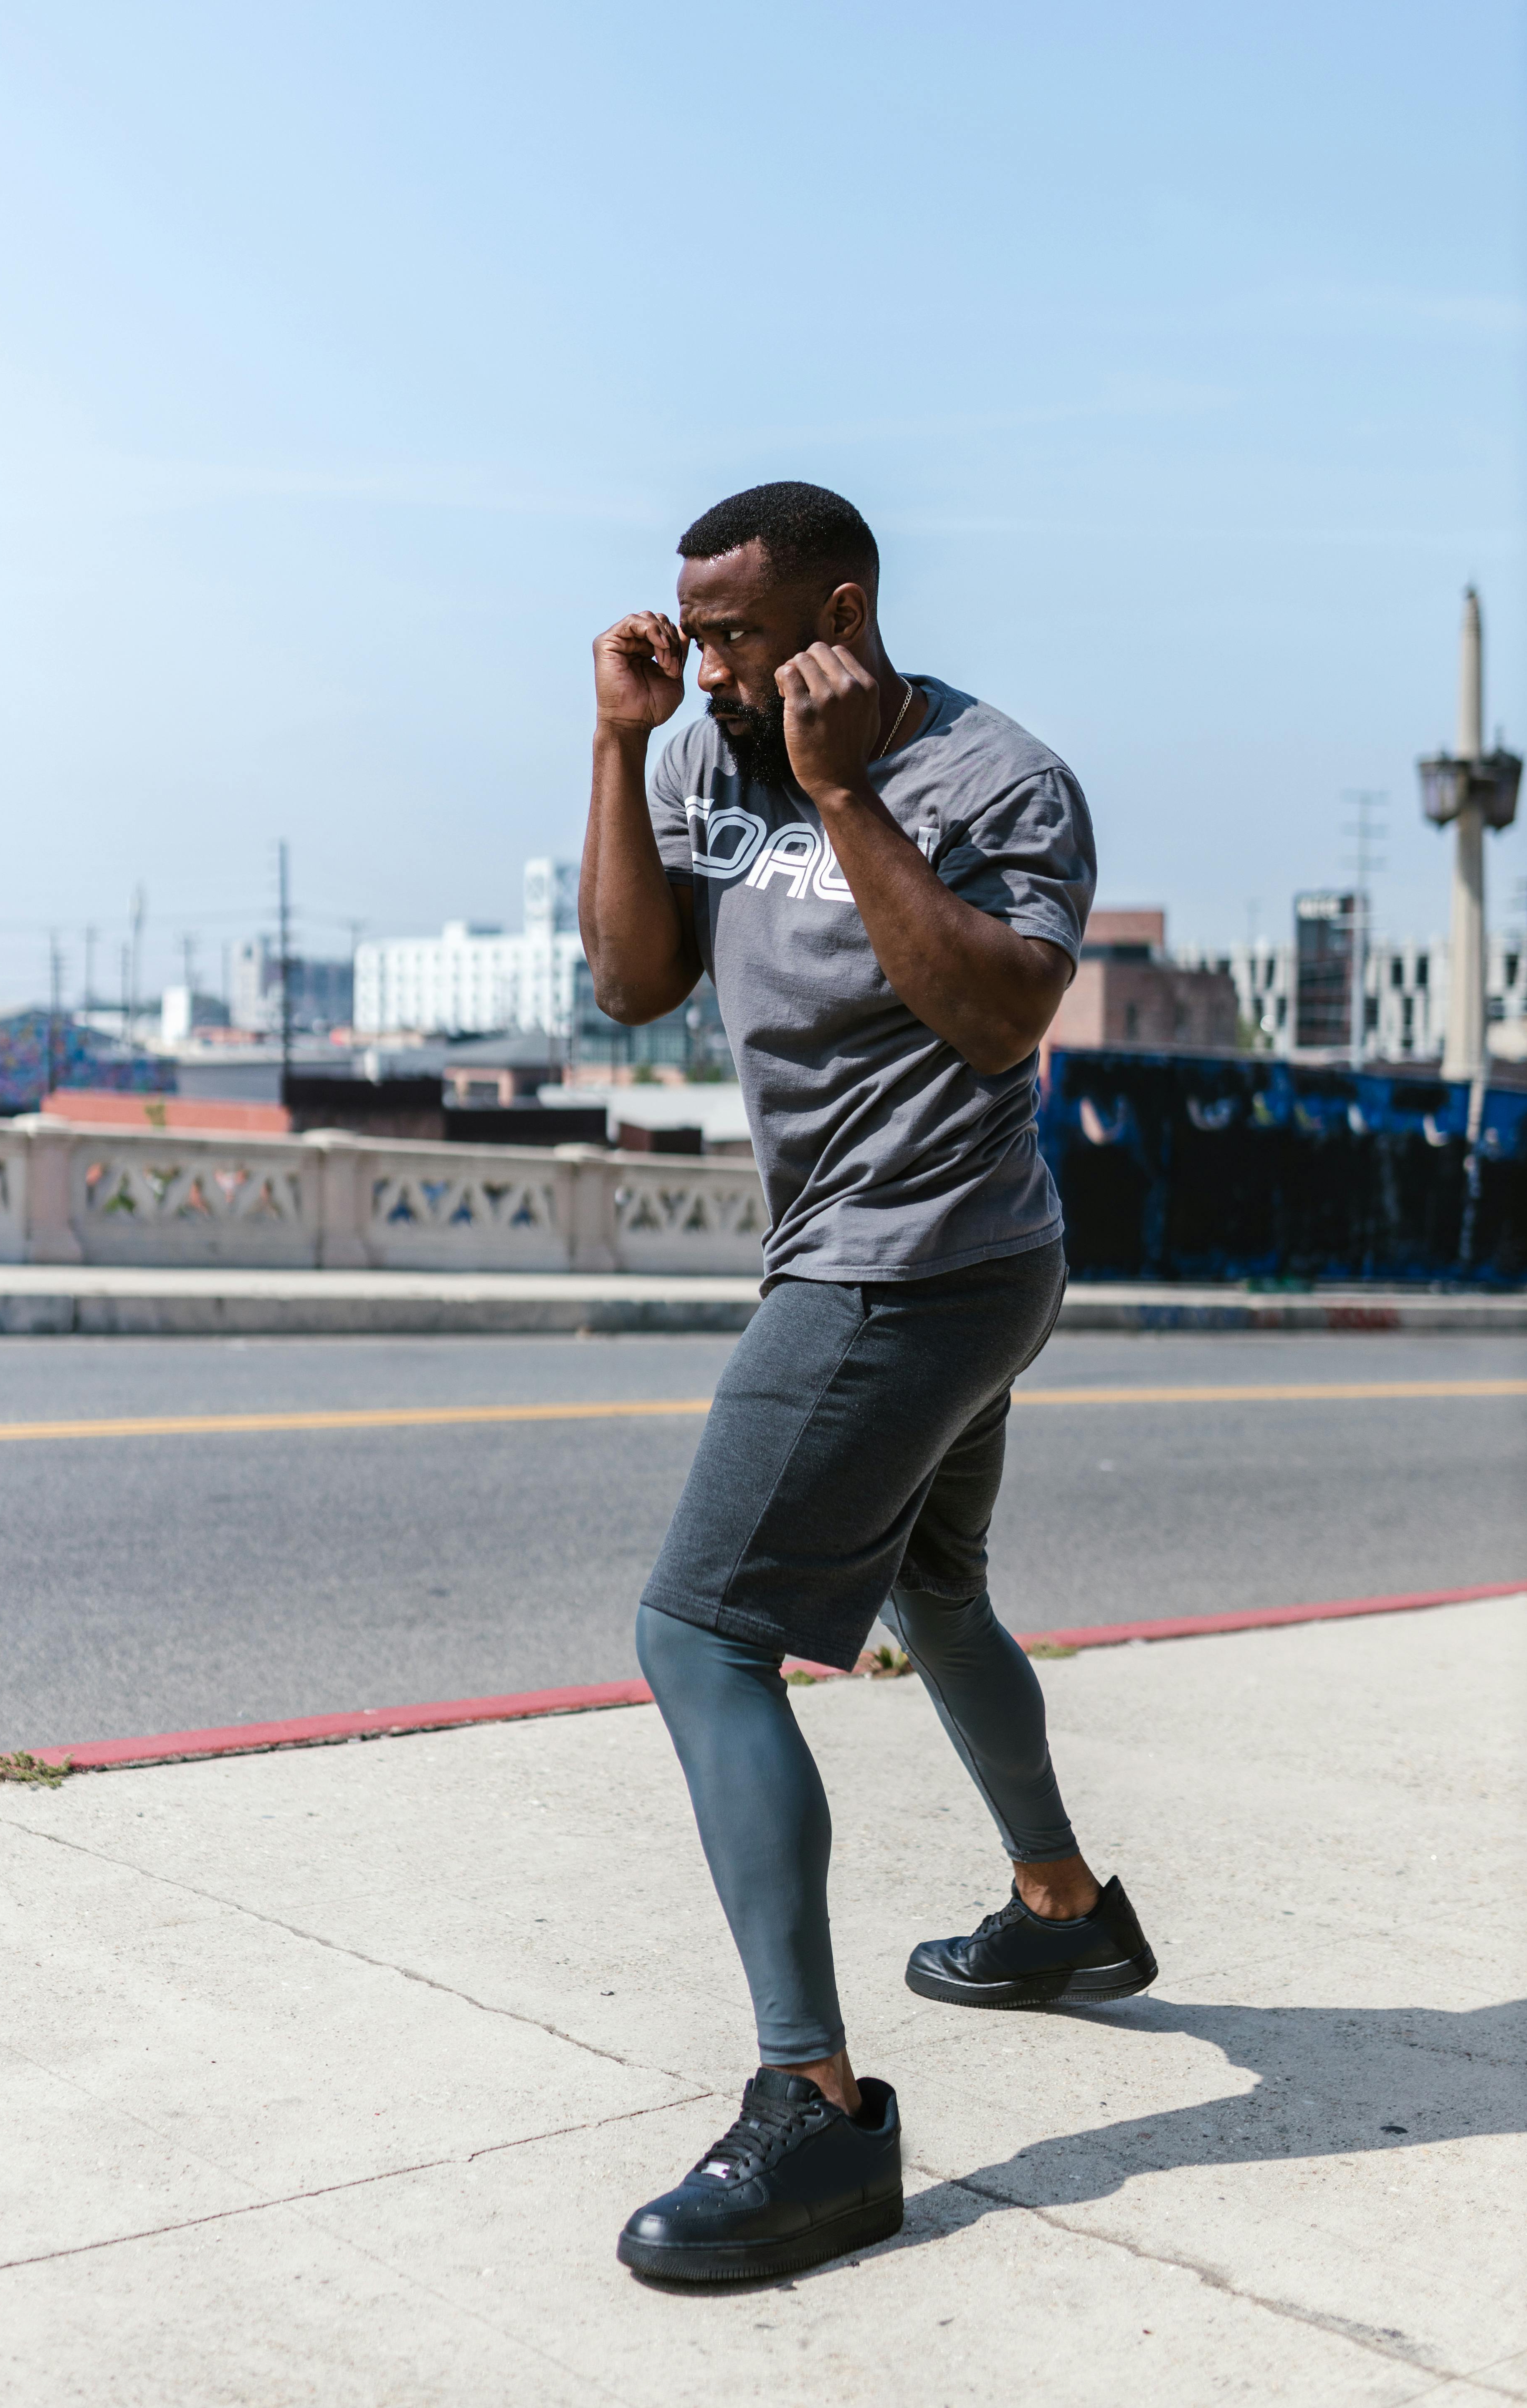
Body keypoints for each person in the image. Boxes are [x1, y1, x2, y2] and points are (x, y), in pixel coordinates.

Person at [580, 481, 1156, 2286]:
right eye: (693, 632)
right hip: (911, 1256)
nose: (711, 666)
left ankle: (814, 2113)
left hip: (913, 1261)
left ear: (840, 613)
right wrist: (621, 748)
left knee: (699, 1634)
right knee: (935, 1584)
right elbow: (632, 983)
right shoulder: (709, 754)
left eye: (738, 634)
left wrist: (843, 795)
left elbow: (999, 1015)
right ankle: (1061, 1908)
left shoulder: (998, 782)